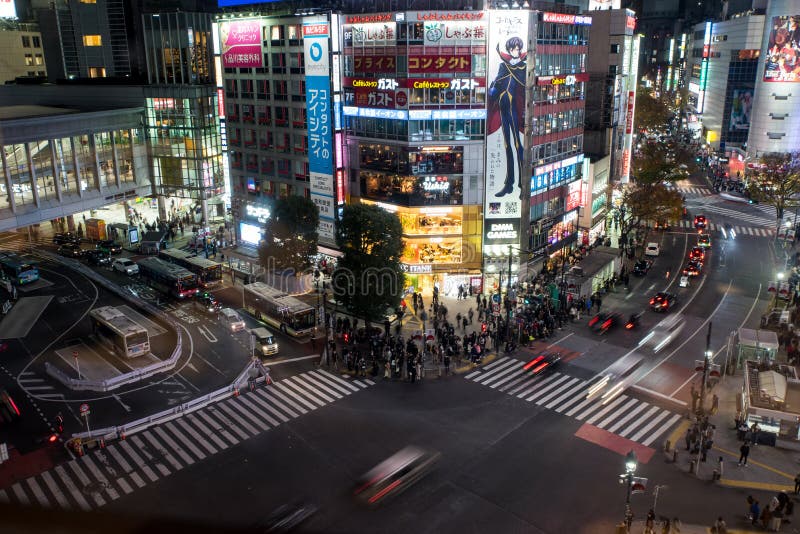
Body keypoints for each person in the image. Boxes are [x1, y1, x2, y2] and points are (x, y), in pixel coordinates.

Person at [488, 36, 527, 198]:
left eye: (518, 48)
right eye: (513, 49)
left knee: (518, 144)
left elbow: (524, 86)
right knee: (506, 144)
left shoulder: (523, 67)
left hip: (515, 109)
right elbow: (497, 85)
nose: (515, 51)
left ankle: (523, 184)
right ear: (509, 50)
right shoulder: (503, 66)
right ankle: (508, 184)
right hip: (503, 107)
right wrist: (491, 90)